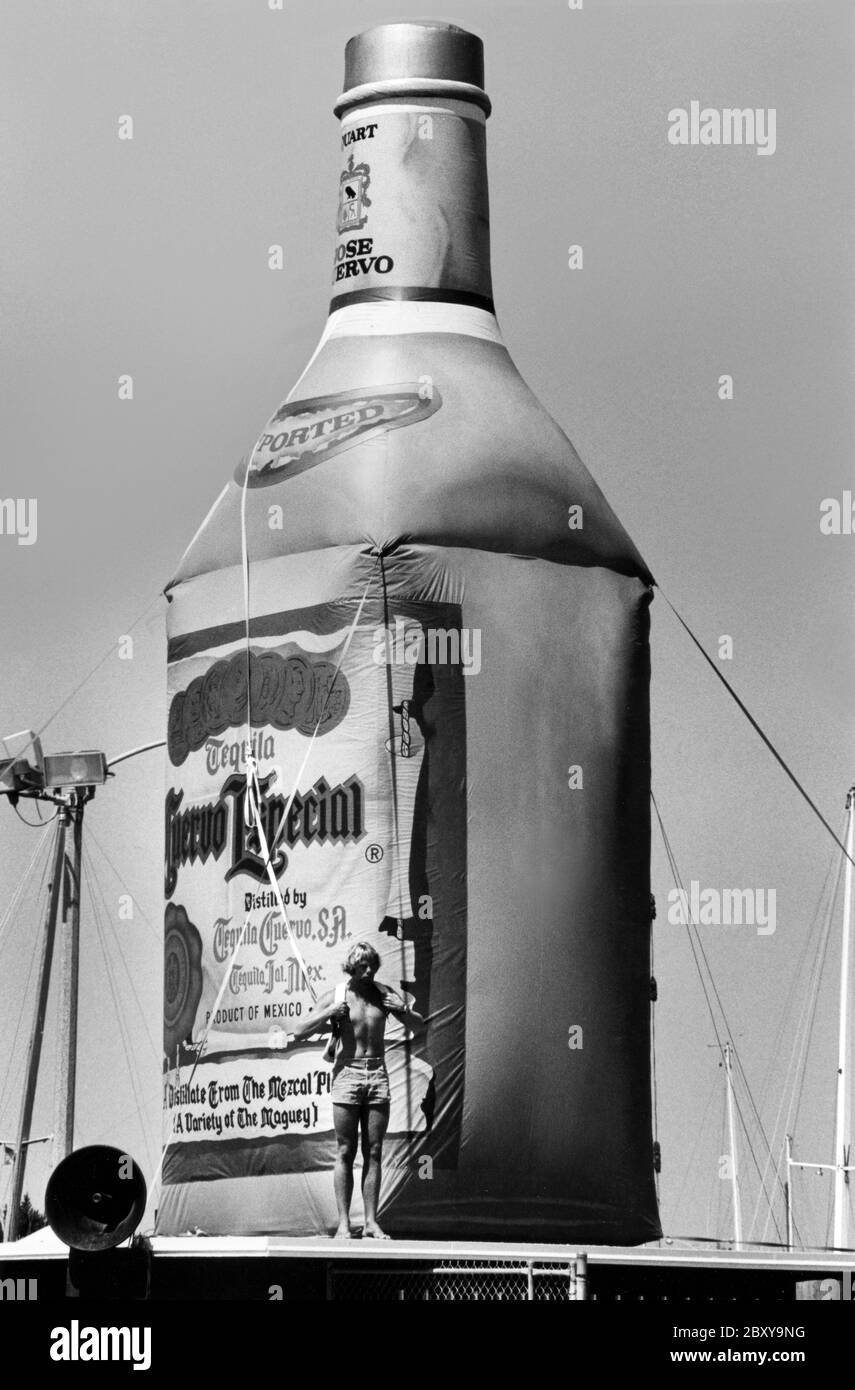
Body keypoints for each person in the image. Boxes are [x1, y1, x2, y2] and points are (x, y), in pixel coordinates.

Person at [288, 941, 423, 1239]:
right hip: (347, 1074)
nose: (369, 970)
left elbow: (419, 1026)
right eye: (363, 966)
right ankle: (344, 1224)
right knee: (345, 1150)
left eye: (372, 965)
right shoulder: (337, 996)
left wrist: (402, 1010)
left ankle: (371, 1222)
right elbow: (299, 1030)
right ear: (351, 967)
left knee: (373, 1151)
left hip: (377, 1073)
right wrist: (329, 1014)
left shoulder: (384, 994)